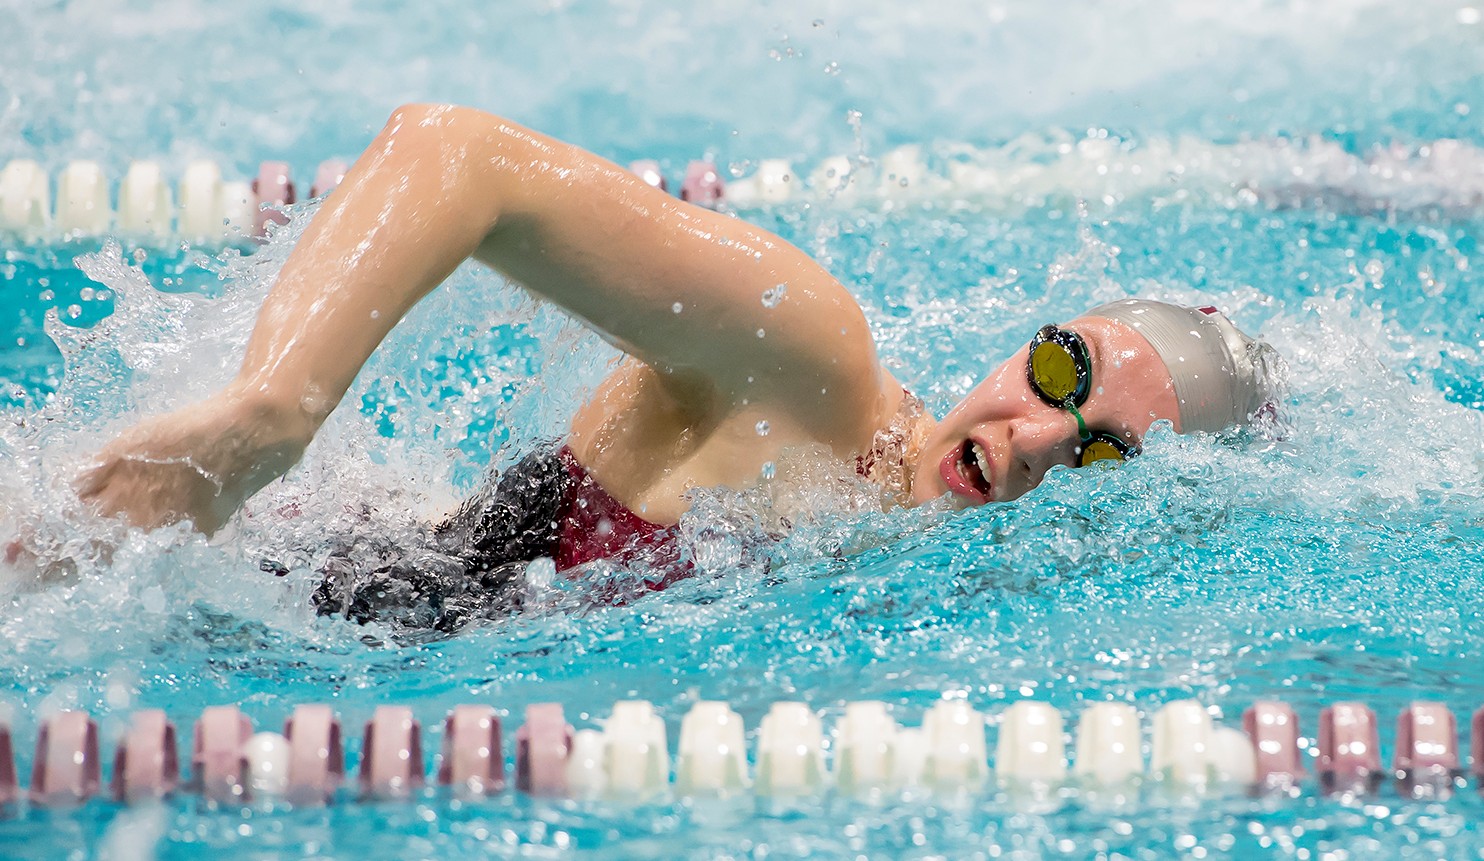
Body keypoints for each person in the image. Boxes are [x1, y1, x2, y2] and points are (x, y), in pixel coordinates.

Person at [75, 104, 1277, 630]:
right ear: (1030, 334)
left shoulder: (977, 586)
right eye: (1060, 374)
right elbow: (459, 153)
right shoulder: (811, 360)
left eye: (1102, 449)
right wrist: (280, 408)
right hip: (219, 572)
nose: (1031, 439)